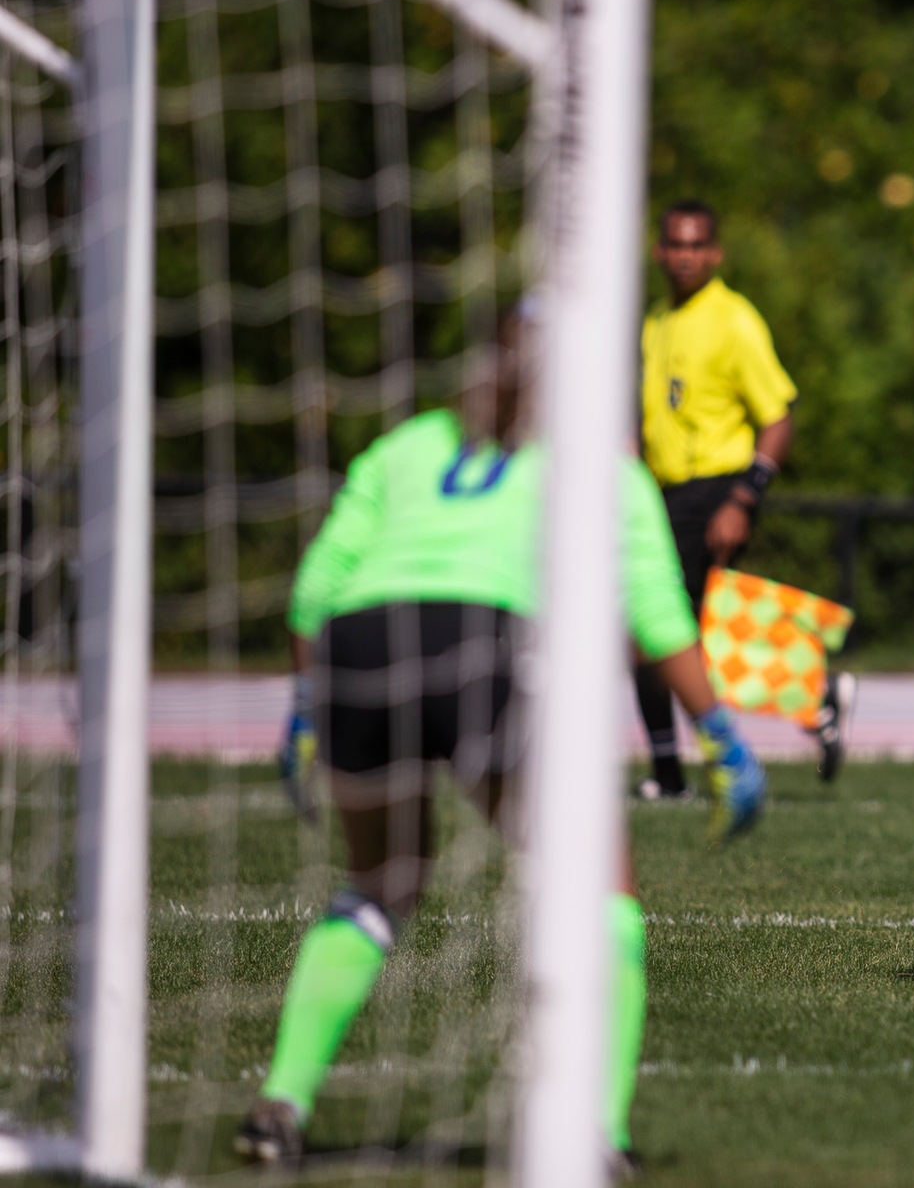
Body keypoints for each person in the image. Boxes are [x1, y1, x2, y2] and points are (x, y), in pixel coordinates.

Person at [237, 305, 765, 1170]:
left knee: (382, 879)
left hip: (358, 651)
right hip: (480, 647)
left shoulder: (408, 444)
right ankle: (598, 1134)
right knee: (601, 884)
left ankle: (278, 1106)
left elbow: (315, 587)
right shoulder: (599, 461)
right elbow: (659, 612)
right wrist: (720, 737)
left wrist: (303, 710)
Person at [635, 199, 854, 797]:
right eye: (674, 245)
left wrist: (744, 497)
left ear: (715, 252)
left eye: (695, 245)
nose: (684, 256)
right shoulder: (656, 319)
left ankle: (670, 774)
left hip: (713, 489)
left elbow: (778, 416)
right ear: (659, 251)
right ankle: (813, 692)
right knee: (692, 632)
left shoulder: (733, 319)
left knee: (653, 630)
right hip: (660, 492)